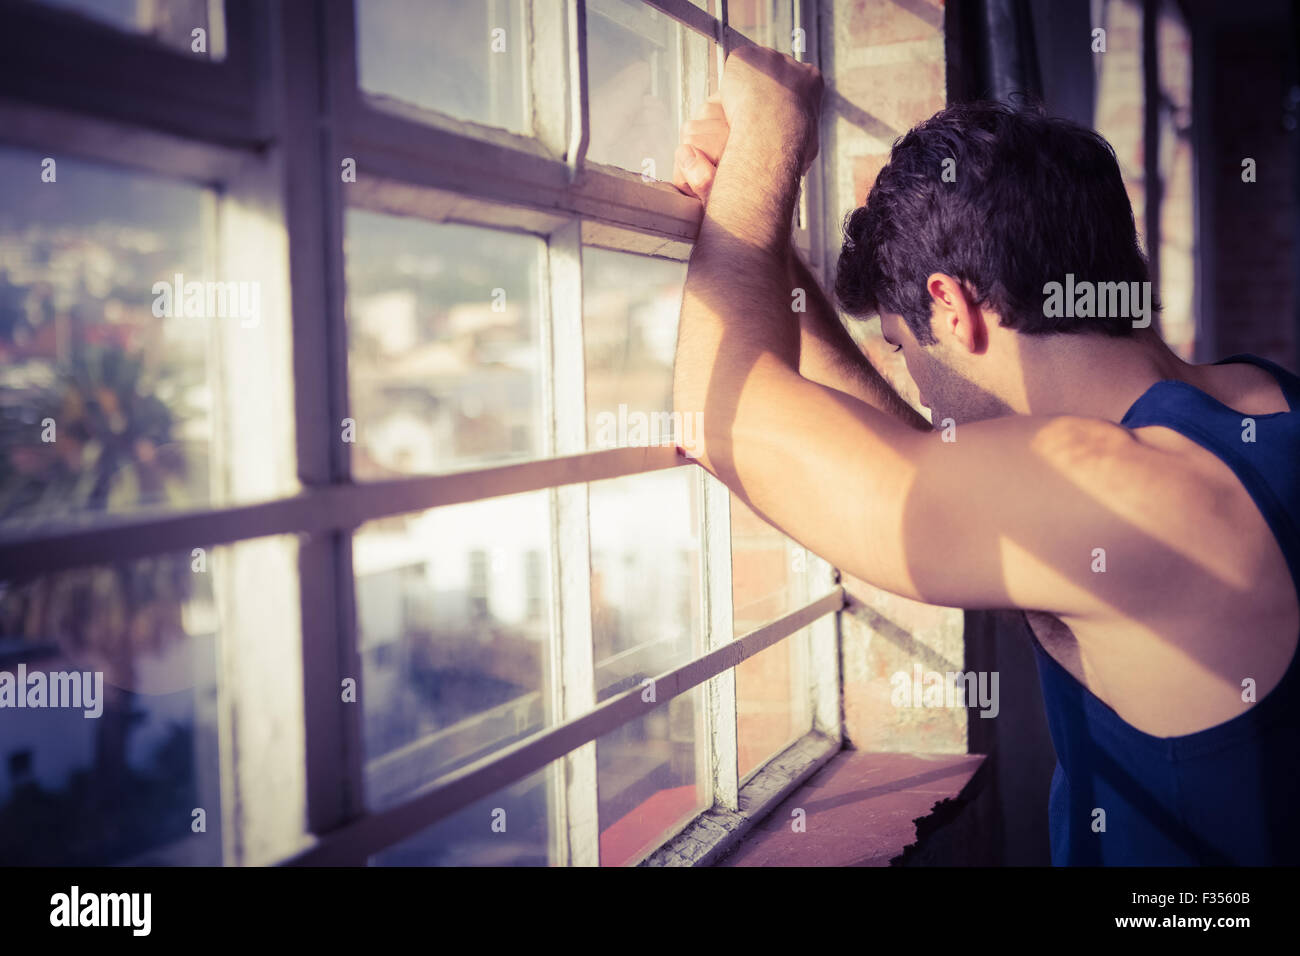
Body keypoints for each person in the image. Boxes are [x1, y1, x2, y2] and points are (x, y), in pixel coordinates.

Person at [670, 45, 1300, 865]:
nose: (920, 388)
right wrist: (769, 250)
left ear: (953, 306)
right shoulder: (1258, 399)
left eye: (903, 352)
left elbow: (719, 416)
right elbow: (939, 467)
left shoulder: (1121, 494)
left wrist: (767, 136)